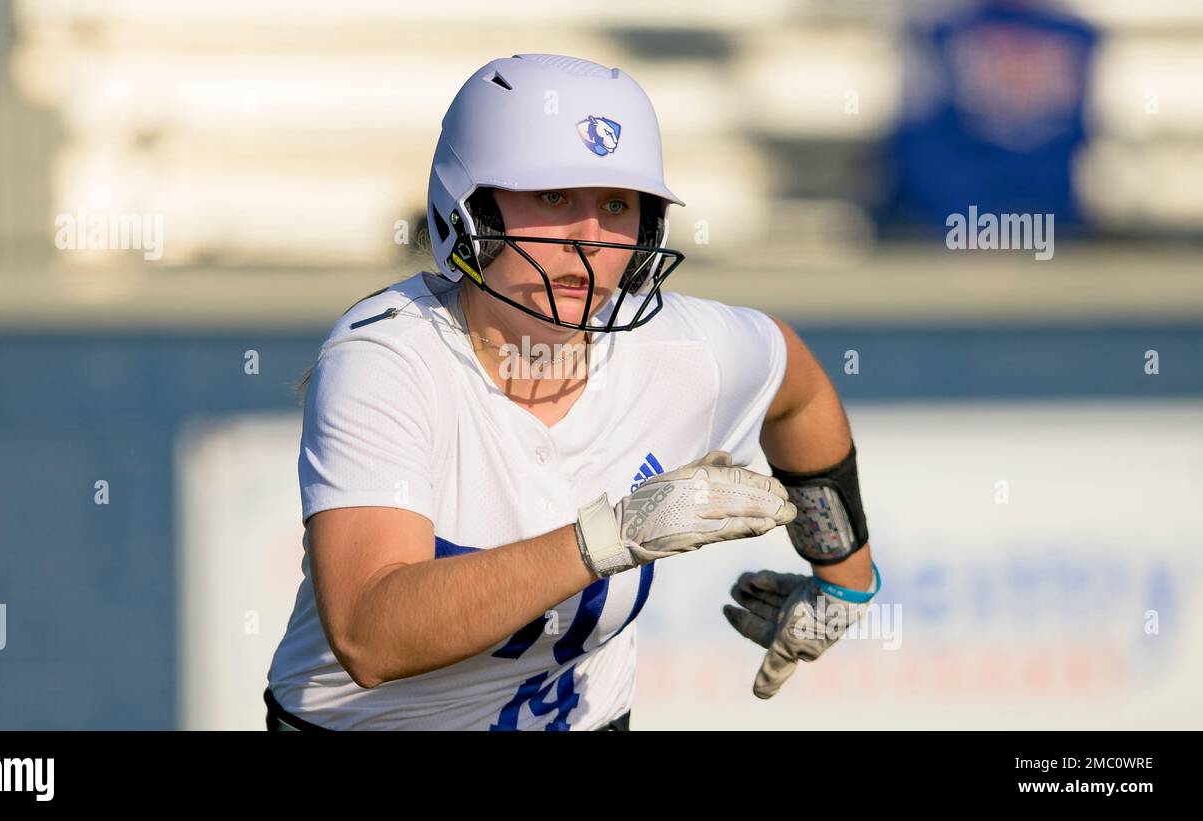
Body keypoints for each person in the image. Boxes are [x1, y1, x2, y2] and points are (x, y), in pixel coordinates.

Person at [265, 53, 879, 731]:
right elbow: (370, 634)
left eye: (617, 205)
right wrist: (610, 537)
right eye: (554, 198)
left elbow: (796, 385)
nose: (590, 237)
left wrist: (842, 580)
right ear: (470, 209)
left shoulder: (675, 350)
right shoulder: (389, 358)